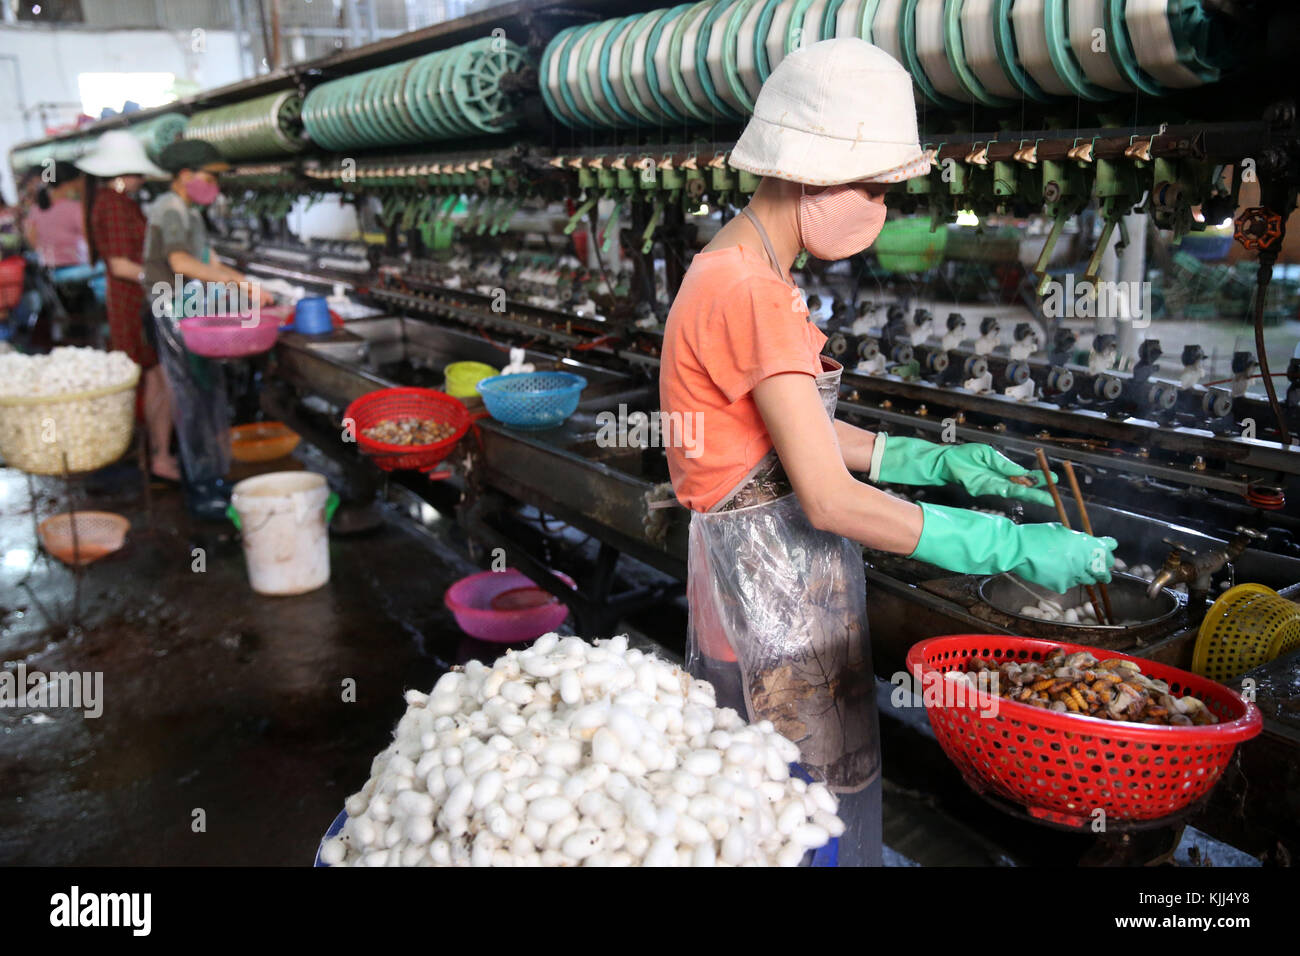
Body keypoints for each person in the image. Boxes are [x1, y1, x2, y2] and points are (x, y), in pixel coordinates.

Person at [658, 39, 1116, 866]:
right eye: (871, 187)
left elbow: (788, 439)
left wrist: (930, 460)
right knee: (801, 824)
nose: (881, 208)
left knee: (767, 809)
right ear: (808, 171)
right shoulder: (752, 290)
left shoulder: (732, 266)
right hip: (772, 609)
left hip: (762, 591)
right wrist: (1003, 543)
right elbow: (826, 500)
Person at [143, 138, 273, 519]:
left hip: (188, 309)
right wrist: (238, 283)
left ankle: (212, 477)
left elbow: (206, 259)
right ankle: (201, 489)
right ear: (185, 175)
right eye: (210, 177)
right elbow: (181, 262)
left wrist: (236, 281)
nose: (214, 185)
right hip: (171, 310)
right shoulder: (169, 209)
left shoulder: (188, 210)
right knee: (191, 400)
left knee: (206, 393)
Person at [76, 131, 179, 481]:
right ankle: (160, 457)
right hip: (134, 304)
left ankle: (154, 454)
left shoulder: (115, 201)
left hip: (134, 301)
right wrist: (167, 281)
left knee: (156, 379)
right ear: (123, 173)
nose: (142, 178)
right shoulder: (115, 205)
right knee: (157, 378)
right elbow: (120, 264)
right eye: (138, 172)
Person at [23, 161, 89, 268]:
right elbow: (89, 239)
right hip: (77, 267)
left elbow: (32, 240)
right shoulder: (75, 208)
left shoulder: (35, 209)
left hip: (49, 268)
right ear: (71, 182)